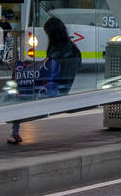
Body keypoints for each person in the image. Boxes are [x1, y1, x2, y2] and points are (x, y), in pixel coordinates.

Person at [8, 16, 82, 144]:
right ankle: (14, 128)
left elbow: (50, 67)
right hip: (56, 85)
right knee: (21, 75)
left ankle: (14, 127)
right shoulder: (68, 47)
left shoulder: (62, 49)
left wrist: (30, 65)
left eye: (48, 34)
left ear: (53, 34)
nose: (47, 36)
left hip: (55, 89)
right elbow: (49, 66)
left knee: (20, 80)